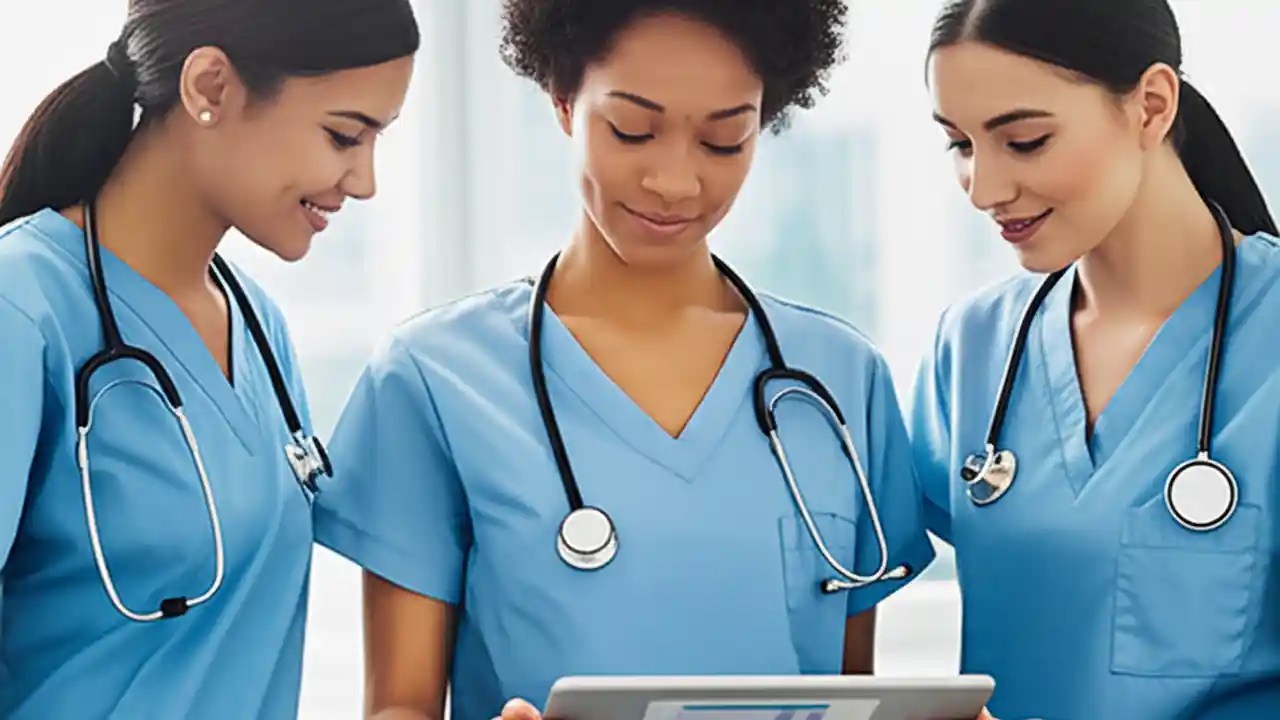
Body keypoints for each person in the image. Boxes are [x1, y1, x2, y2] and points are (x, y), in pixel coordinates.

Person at [312, 2, 944, 719]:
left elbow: (853, 696)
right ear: (561, 102)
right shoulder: (435, 380)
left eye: (725, 141)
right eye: (632, 130)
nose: (675, 182)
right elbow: (399, 706)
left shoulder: (839, 381)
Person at [0, 1, 417, 717]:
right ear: (211, 88)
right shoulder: (22, 307)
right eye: (344, 135)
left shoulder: (259, 326)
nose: (365, 180)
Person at [911, 0, 1280, 717]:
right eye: (959, 144)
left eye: (1024, 141)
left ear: (1150, 105)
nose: (984, 189)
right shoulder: (974, 347)